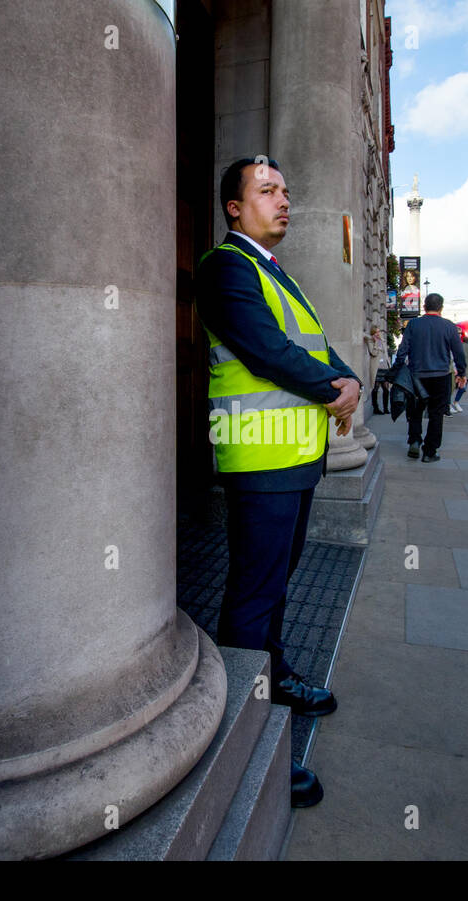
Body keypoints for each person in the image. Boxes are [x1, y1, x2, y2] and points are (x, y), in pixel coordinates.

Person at [195, 156, 361, 807]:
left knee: (278, 582)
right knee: (253, 592)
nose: (283, 200)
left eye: (287, 190)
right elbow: (268, 350)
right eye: (267, 191)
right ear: (233, 208)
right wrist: (334, 389)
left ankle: (277, 674)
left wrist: (347, 379)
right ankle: (242, 729)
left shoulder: (276, 274)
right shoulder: (225, 267)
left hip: (293, 456)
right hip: (260, 458)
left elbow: (315, 344)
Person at [390, 292, 467, 462]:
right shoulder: (449, 326)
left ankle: (415, 441)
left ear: (424, 307)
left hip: (416, 375)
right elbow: (458, 353)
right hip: (441, 376)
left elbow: (403, 350)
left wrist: (396, 369)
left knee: (415, 411)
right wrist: (461, 373)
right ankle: (430, 451)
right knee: (436, 414)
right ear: (441, 307)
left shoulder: (413, 324)